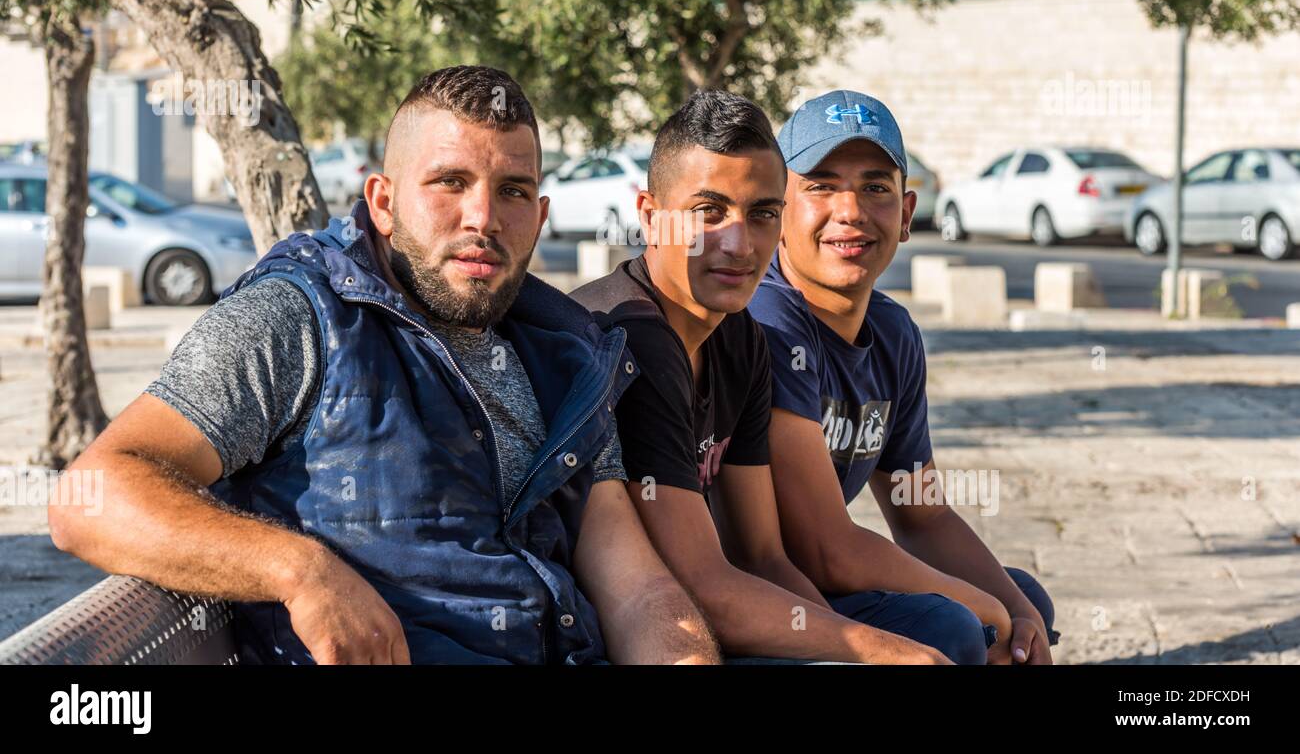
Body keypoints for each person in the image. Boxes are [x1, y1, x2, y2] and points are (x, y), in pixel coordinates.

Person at [49, 65, 717, 665]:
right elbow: (91, 497)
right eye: (450, 182)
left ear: (540, 216)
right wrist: (299, 569)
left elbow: (635, 588)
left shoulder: (568, 359)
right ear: (383, 202)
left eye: (512, 191)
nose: (482, 217)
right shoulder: (300, 318)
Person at [571, 89, 950, 664]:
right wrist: (882, 651)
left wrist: (845, 649)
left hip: (705, 604)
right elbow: (705, 586)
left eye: (762, 214)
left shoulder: (741, 336)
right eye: (708, 212)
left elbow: (764, 557)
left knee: (949, 627)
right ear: (650, 216)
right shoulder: (629, 337)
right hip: (613, 629)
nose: (739, 243)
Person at [748, 89, 1061, 665]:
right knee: (956, 625)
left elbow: (923, 512)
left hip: (824, 587)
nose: (851, 211)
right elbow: (825, 551)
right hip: (760, 599)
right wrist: (988, 613)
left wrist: (1017, 613)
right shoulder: (768, 322)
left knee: (1023, 601)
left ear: (908, 213)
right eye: (820, 185)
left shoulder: (892, 332)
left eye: (875, 187)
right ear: (778, 209)